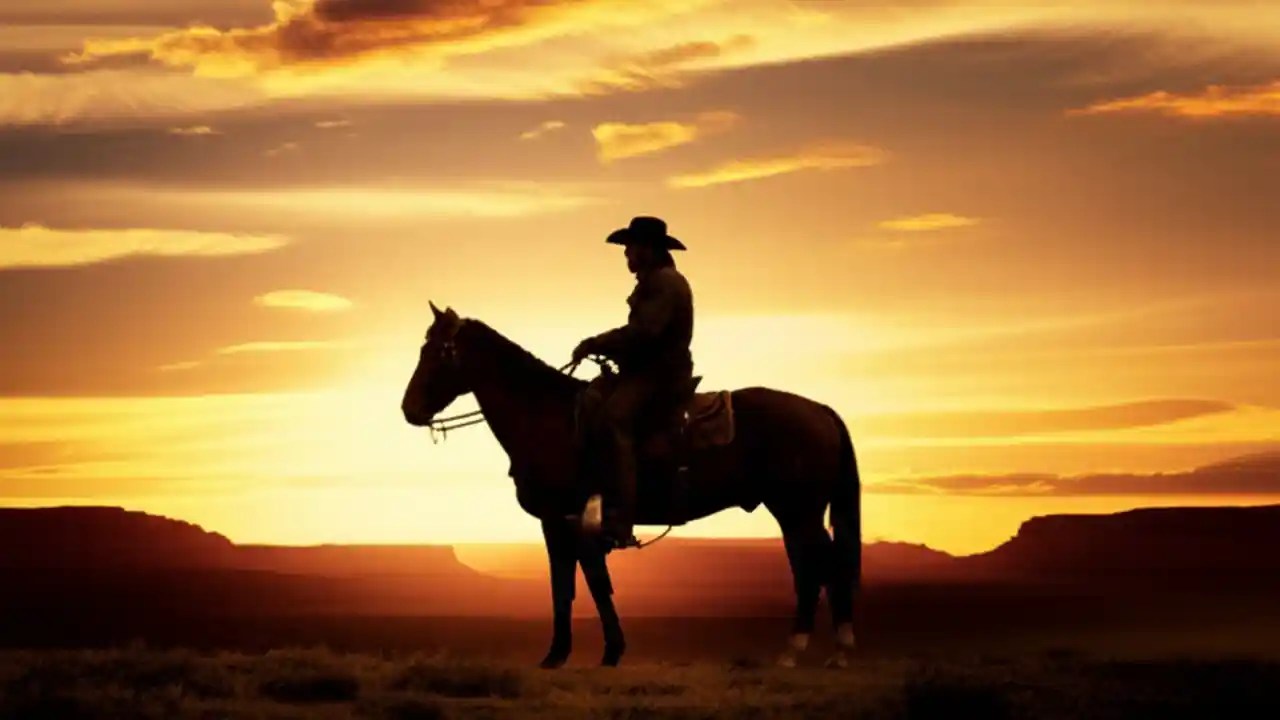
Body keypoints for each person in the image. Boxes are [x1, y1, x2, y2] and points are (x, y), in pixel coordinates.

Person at [572, 216, 695, 549]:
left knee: (615, 419)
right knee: (589, 401)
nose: (626, 253)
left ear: (649, 250)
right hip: (645, 371)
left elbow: (644, 334)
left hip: (660, 375)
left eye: (632, 247)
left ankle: (621, 520)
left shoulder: (665, 283)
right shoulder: (653, 281)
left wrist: (598, 342)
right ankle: (594, 502)